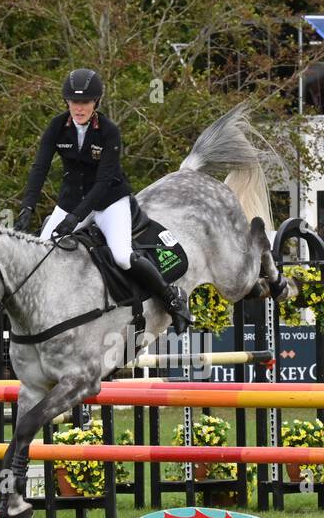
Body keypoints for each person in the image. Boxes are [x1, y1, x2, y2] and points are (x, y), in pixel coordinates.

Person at [16, 68, 192, 333]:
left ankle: (172, 299)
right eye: (75, 102)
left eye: (85, 102)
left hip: (109, 202)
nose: (79, 108)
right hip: (72, 200)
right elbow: (39, 169)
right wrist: (27, 207)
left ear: (95, 102)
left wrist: (74, 218)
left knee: (122, 256)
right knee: (44, 251)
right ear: (67, 102)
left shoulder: (109, 131)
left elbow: (103, 182)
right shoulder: (56, 127)